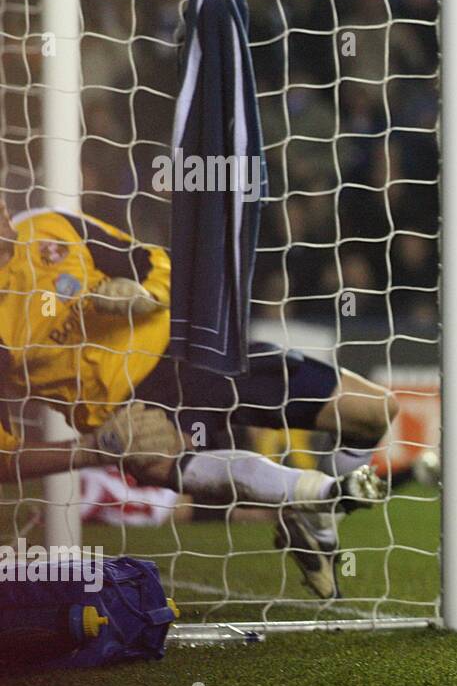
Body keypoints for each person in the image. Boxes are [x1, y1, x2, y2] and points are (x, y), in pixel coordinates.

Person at [0, 203, 397, 598]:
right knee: (159, 459)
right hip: (133, 410)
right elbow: (4, 459)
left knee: (376, 410)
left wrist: (145, 295)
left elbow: (155, 261)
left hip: (197, 350)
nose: (4, 208)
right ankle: (322, 495)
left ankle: (318, 524)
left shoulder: (48, 226)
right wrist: (90, 451)